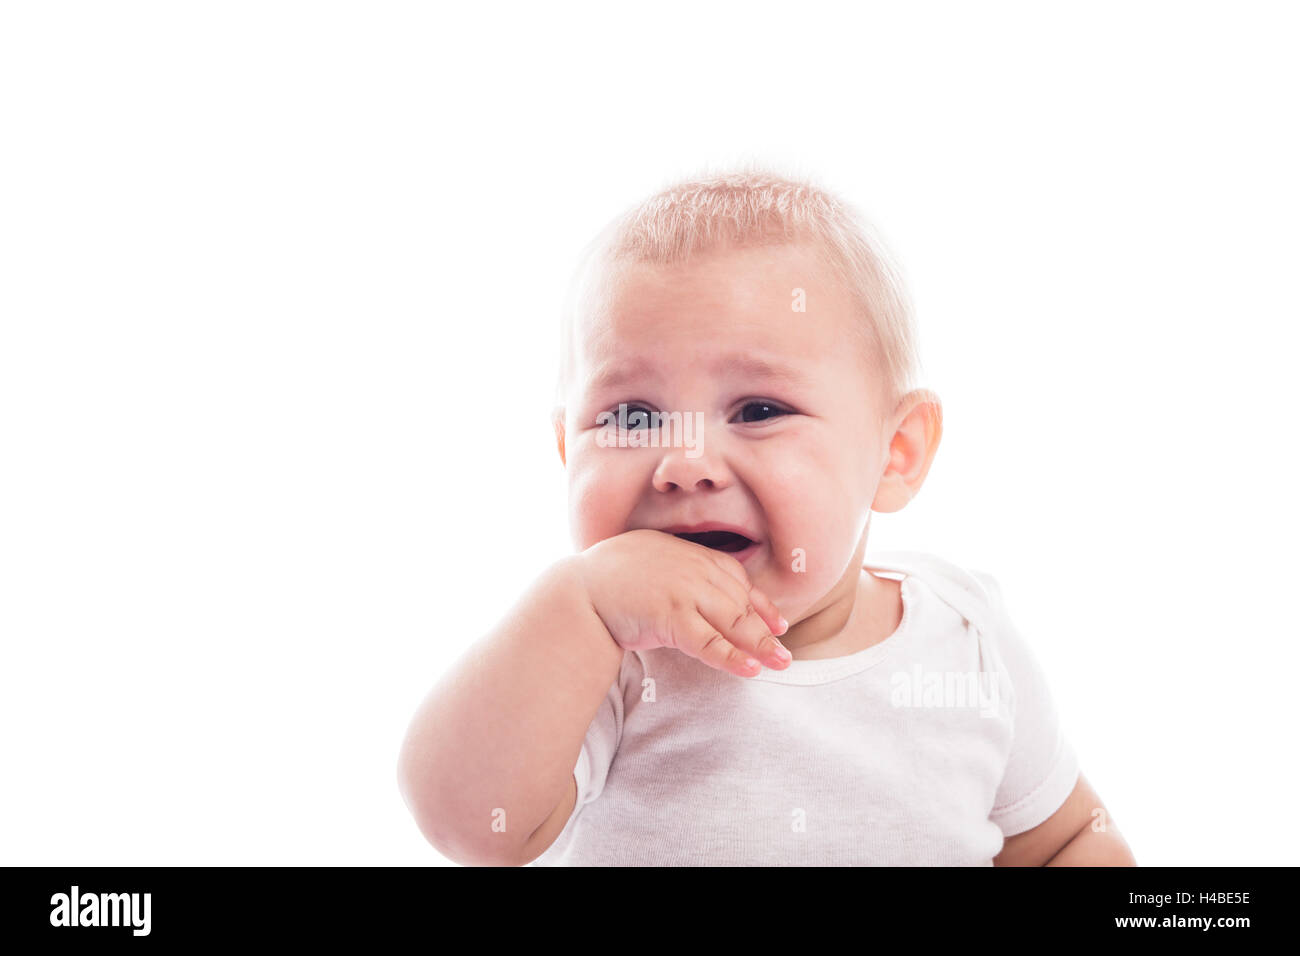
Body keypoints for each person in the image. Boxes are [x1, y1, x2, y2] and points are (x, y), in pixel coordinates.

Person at [397, 165, 1136, 866]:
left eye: (758, 409)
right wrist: (580, 605)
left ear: (896, 453)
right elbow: (470, 825)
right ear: (566, 448)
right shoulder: (606, 662)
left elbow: (1067, 841)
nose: (684, 462)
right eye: (630, 415)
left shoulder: (967, 639)